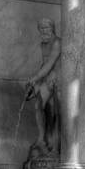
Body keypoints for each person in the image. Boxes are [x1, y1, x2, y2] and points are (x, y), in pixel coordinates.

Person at [25, 18, 61, 157]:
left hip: (59, 78)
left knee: (57, 112)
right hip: (48, 76)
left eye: (46, 28)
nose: (44, 31)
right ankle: (41, 138)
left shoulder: (57, 42)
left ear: (52, 28)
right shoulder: (43, 44)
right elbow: (44, 64)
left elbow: (51, 63)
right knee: (38, 105)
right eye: (41, 29)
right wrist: (36, 82)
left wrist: (35, 78)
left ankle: (55, 143)